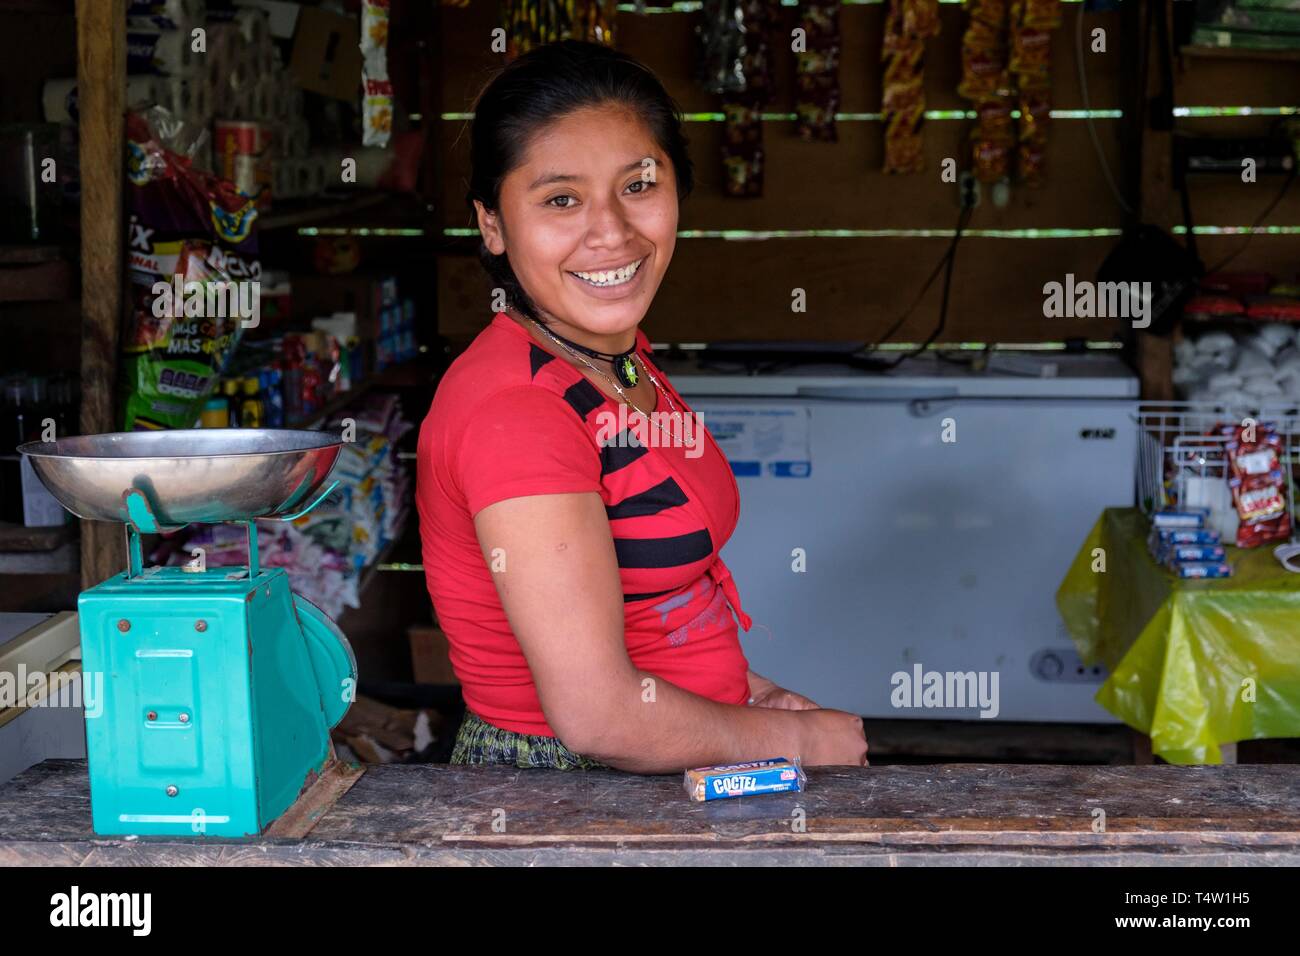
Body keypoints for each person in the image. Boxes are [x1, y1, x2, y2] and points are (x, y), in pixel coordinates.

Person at [416, 40, 869, 773]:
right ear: (493, 224)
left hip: (668, 765)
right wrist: (804, 742)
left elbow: (659, 610)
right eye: (561, 199)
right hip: (566, 797)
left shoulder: (613, 361)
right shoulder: (518, 413)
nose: (612, 232)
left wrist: (750, 698)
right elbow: (599, 715)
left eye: (638, 186)